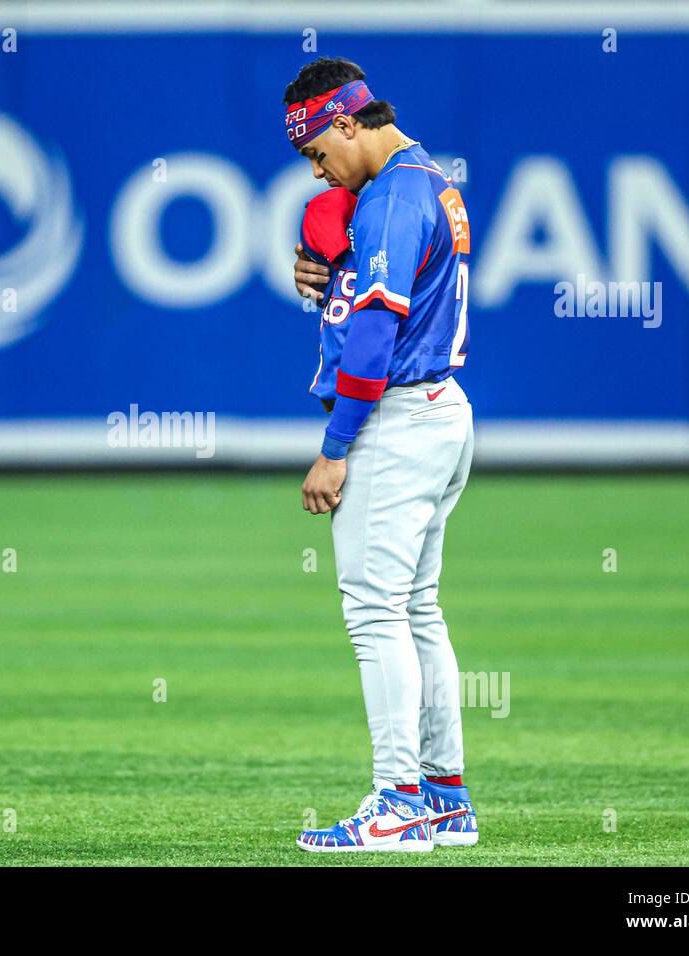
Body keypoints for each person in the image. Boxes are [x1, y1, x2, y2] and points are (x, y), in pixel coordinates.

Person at [284, 57, 478, 853]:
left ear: (345, 122)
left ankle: (398, 802)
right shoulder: (425, 179)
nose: (318, 170)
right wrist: (331, 273)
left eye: (317, 152)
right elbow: (379, 297)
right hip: (441, 412)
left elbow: (374, 335)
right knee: (416, 609)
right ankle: (443, 796)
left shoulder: (393, 195)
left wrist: (335, 449)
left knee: (374, 612)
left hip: (393, 417)